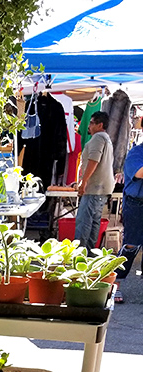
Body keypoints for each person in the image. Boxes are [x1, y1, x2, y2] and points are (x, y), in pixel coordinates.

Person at [74, 111, 115, 250]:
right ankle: (90, 254)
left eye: (92, 123)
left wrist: (83, 181)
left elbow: (94, 160)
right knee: (93, 222)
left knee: (84, 222)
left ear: (100, 125)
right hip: (102, 188)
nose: (89, 126)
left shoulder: (98, 138)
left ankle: (80, 256)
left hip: (94, 187)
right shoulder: (106, 138)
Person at [116, 142, 143, 282]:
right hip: (136, 204)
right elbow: (140, 172)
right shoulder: (136, 152)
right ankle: (116, 282)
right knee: (130, 246)